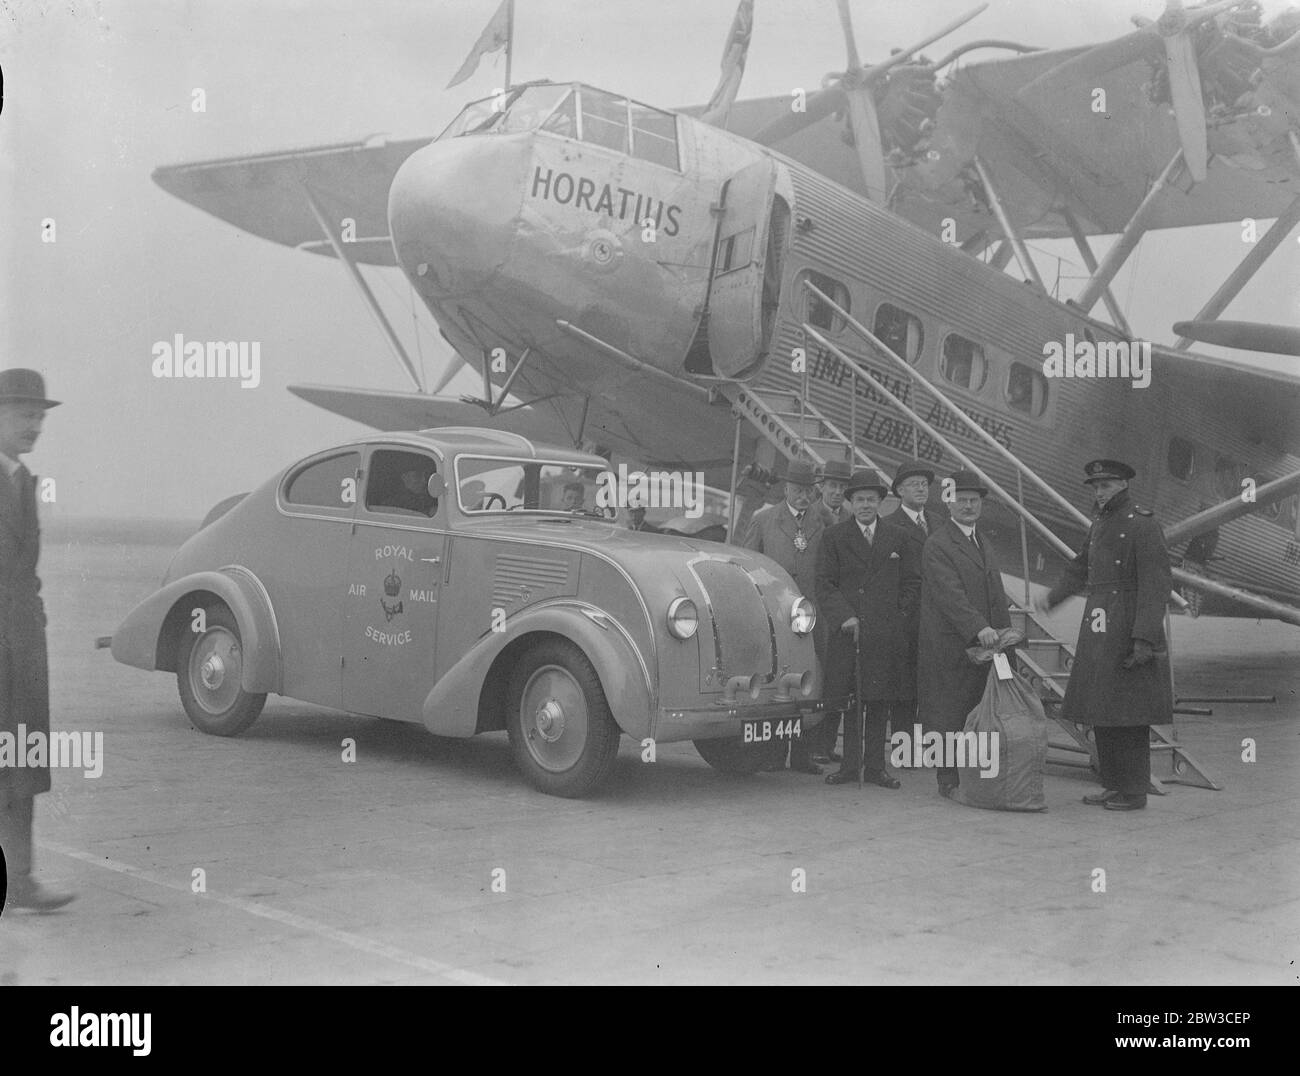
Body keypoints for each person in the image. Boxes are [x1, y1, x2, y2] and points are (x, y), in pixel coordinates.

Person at [1038, 460, 1172, 811]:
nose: (1100, 492)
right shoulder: (1100, 524)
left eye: (1107, 485)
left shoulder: (1143, 525)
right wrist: (1054, 597)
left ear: (1125, 484)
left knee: (1129, 714)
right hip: (1099, 622)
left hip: (1126, 622)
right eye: (1096, 487)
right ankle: (1114, 785)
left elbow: (1156, 584)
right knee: (1104, 708)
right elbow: (1081, 566)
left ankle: (1134, 791)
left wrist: (1144, 637)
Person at [0, 369, 74, 911]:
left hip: (21, 647)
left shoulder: (21, 479)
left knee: (21, 762)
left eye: (41, 417)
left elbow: (25, 572)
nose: (37, 426)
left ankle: (19, 882)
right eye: (26, 414)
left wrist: (35, 623)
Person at [817, 472, 920, 787]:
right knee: (852, 700)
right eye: (859, 499)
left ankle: (875, 769)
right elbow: (824, 583)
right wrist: (844, 616)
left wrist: (897, 616)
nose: (865, 505)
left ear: (880, 501)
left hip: (885, 634)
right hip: (850, 632)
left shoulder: (897, 536)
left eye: (871, 500)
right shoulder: (834, 536)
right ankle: (849, 767)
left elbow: (913, 582)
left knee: (879, 700)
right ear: (851, 502)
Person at [917, 470, 1011, 798]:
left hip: (983, 645)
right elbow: (950, 595)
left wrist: (1004, 637)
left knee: (976, 710)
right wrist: (979, 627)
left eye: (974, 500)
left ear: (981, 505)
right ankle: (948, 780)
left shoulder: (981, 541)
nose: (968, 506)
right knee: (950, 712)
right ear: (948, 503)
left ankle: (970, 776)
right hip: (951, 645)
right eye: (961, 500)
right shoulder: (939, 544)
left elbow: (995, 596)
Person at [742, 457, 825, 775]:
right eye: (798, 489)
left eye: (808, 490)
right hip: (775, 615)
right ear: (786, 488)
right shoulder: (765, 519)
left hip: (811, 613)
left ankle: (804, 755)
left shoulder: (823, 520)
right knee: (777, 680)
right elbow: (747, 563)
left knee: (810, 680)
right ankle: (773, 754)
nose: (803, 496)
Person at [882, 463, 947, 746]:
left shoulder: (940, 523)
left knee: (933, 685)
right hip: (908, 617)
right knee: (905, 687)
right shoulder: (889, 525)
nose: (921, 488)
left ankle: (928, 745)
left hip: (938, 617)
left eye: (925, 484)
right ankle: (903, 747)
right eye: (914, 484)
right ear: (899, 490)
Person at [816, 458, 853, 527]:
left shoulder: (851, 519)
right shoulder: (808, 514)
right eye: (833, 485)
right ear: (822, 486)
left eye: (842, 487)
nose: (838, 492)